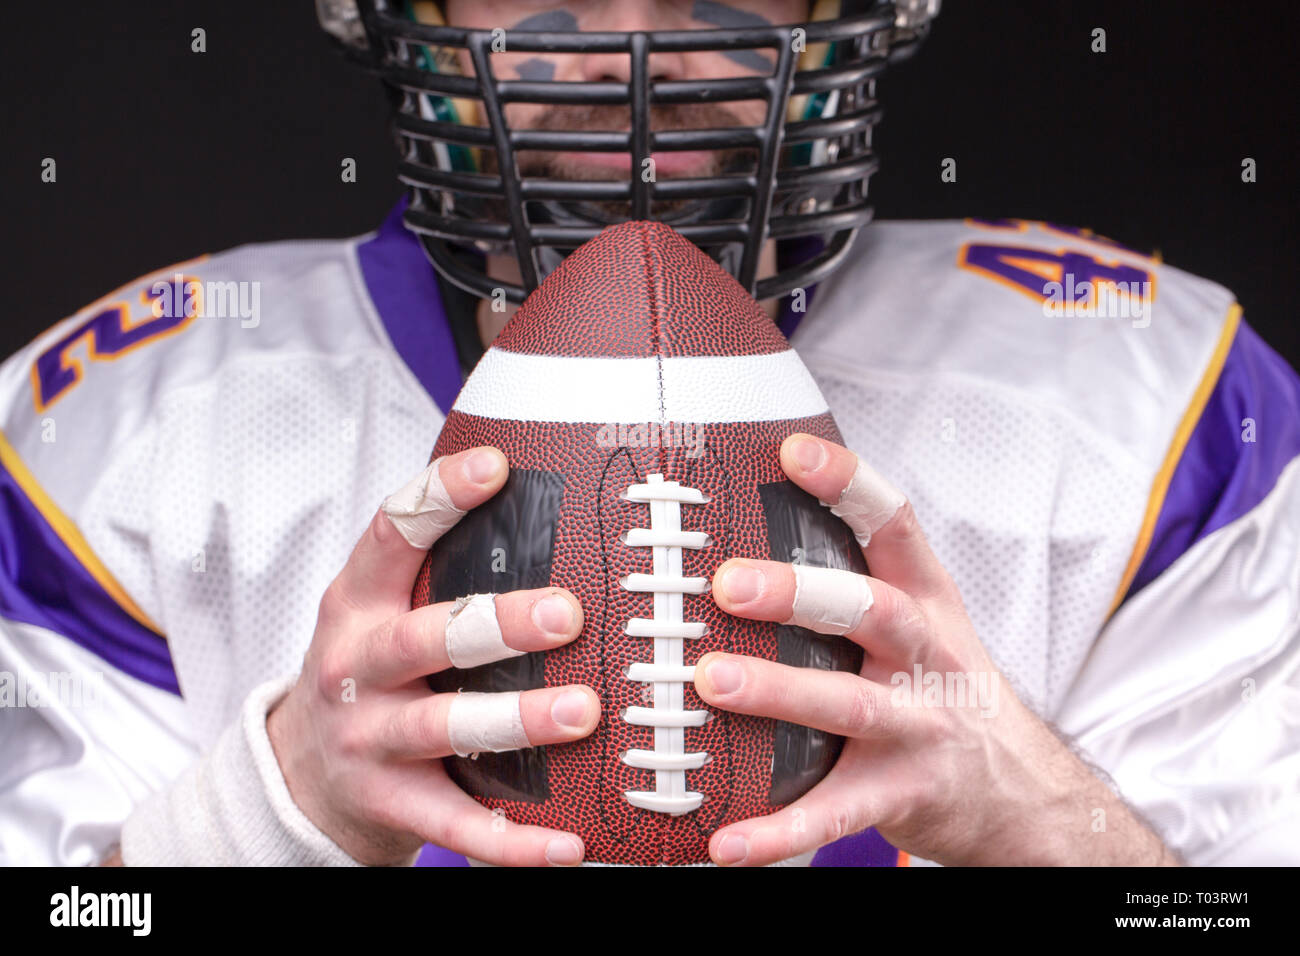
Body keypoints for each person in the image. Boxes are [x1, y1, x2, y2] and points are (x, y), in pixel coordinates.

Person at [0, 0, 1295, 867]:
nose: (634, 43)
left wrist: (1036, 815)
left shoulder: (1161, 402)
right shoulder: (121, 428)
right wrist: (273, 807)